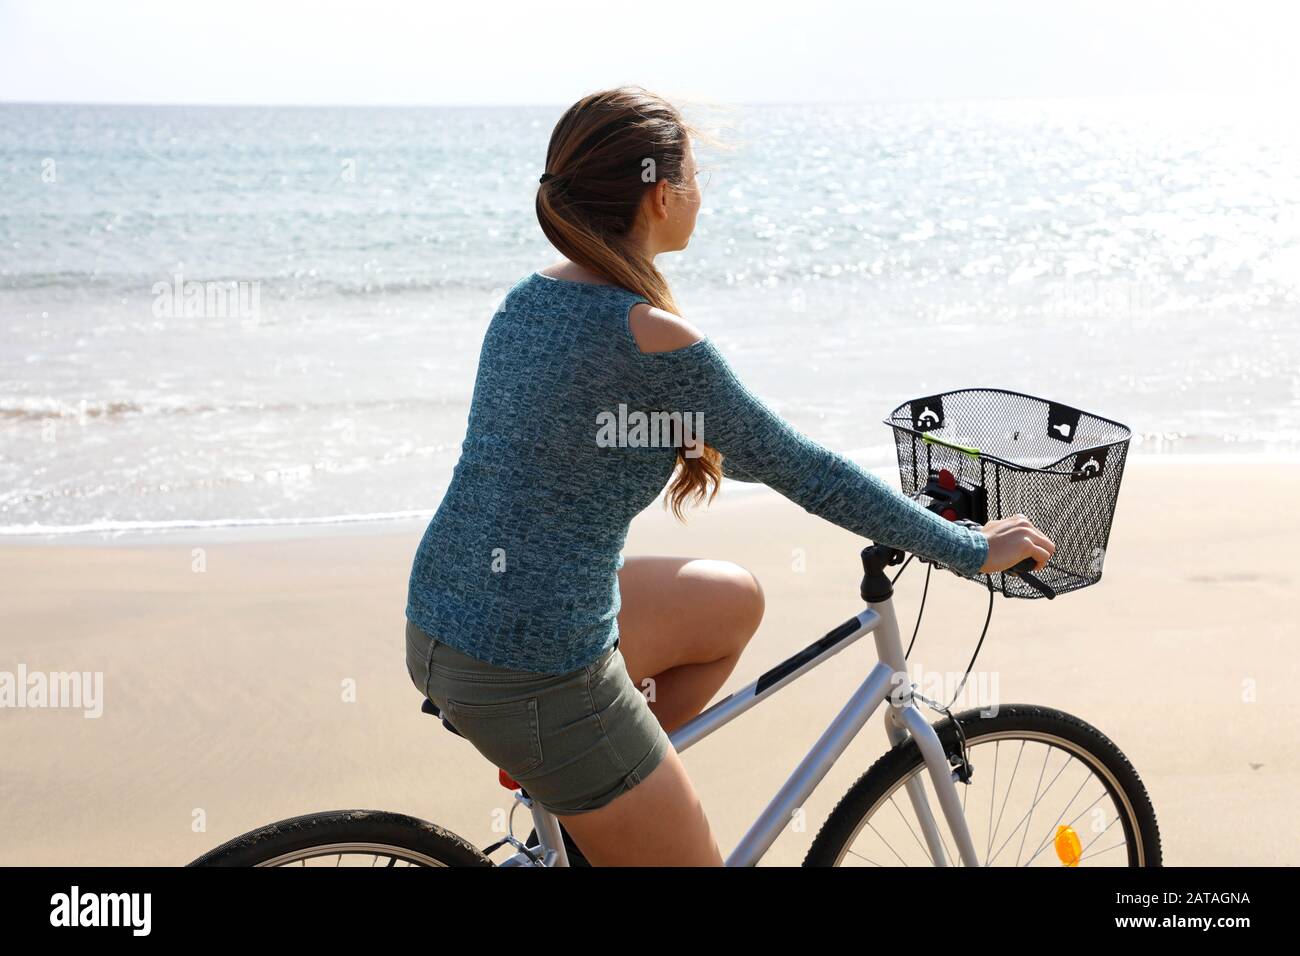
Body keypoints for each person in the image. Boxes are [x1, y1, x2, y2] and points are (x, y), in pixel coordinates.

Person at [404, 86, 1056, 866]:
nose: (701, 193)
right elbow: (803, 470)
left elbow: (719, 450)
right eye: (694, 174)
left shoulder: (530, 300)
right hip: (534, 665)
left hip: (441, 617)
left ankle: (602, 793)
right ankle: (597, 779)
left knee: (731, 601)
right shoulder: (650, 335)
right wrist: (966, 547)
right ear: (658, 193)